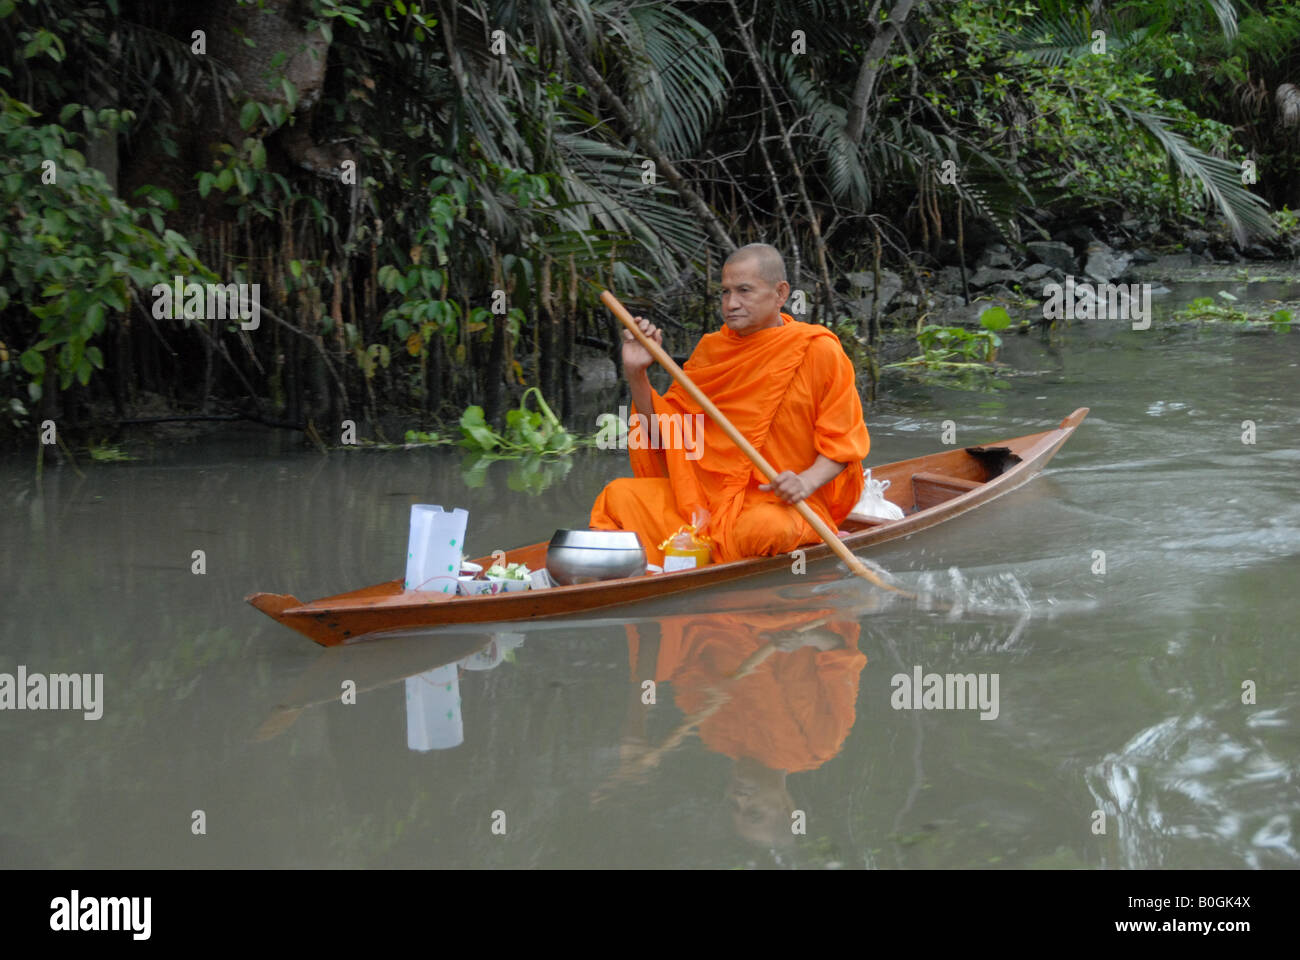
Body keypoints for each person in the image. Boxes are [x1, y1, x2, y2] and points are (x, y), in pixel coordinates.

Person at [589, 243, 871, 565]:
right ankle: (695, 550)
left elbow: (844, 446)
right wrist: (637, 374)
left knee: (763, 530)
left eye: (744, 291)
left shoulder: (818, 351)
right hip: (705, 501)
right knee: (618, 496)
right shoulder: (712, 351)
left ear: (780, 294)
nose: (731, 304)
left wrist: (804, 481)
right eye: (724, 292)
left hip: (776, 504)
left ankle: (692, 552)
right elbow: (666, 438)